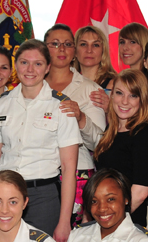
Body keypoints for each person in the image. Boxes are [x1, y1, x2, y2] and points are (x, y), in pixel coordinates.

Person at [0, 39, 81, 242]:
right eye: (24, 62)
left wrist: (64, 222)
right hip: (6, 193)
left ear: (48, 67)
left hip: (43, 197)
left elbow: (68, 169)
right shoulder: (1, 105)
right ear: (16, 65)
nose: (30, 69)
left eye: (38, 64)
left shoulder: (61, 106)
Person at [44, 23, 107, 225]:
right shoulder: (32, 86)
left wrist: (81, 118)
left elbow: (98, 143)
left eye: (67, 44)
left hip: (78, 174)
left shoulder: (90, 89)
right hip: (39, 175)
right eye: (55, 44)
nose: (61, 49)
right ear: (44, 49)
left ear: (74, 52)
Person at [93, 69, 148, 226]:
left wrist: (113, 219)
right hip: (105, 219)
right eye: (119, 93)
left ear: (142, 100)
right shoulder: (110, 131)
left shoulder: (144, 133)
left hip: (126, 223)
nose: (124, 101)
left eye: (133, 95)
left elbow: (141, 192)